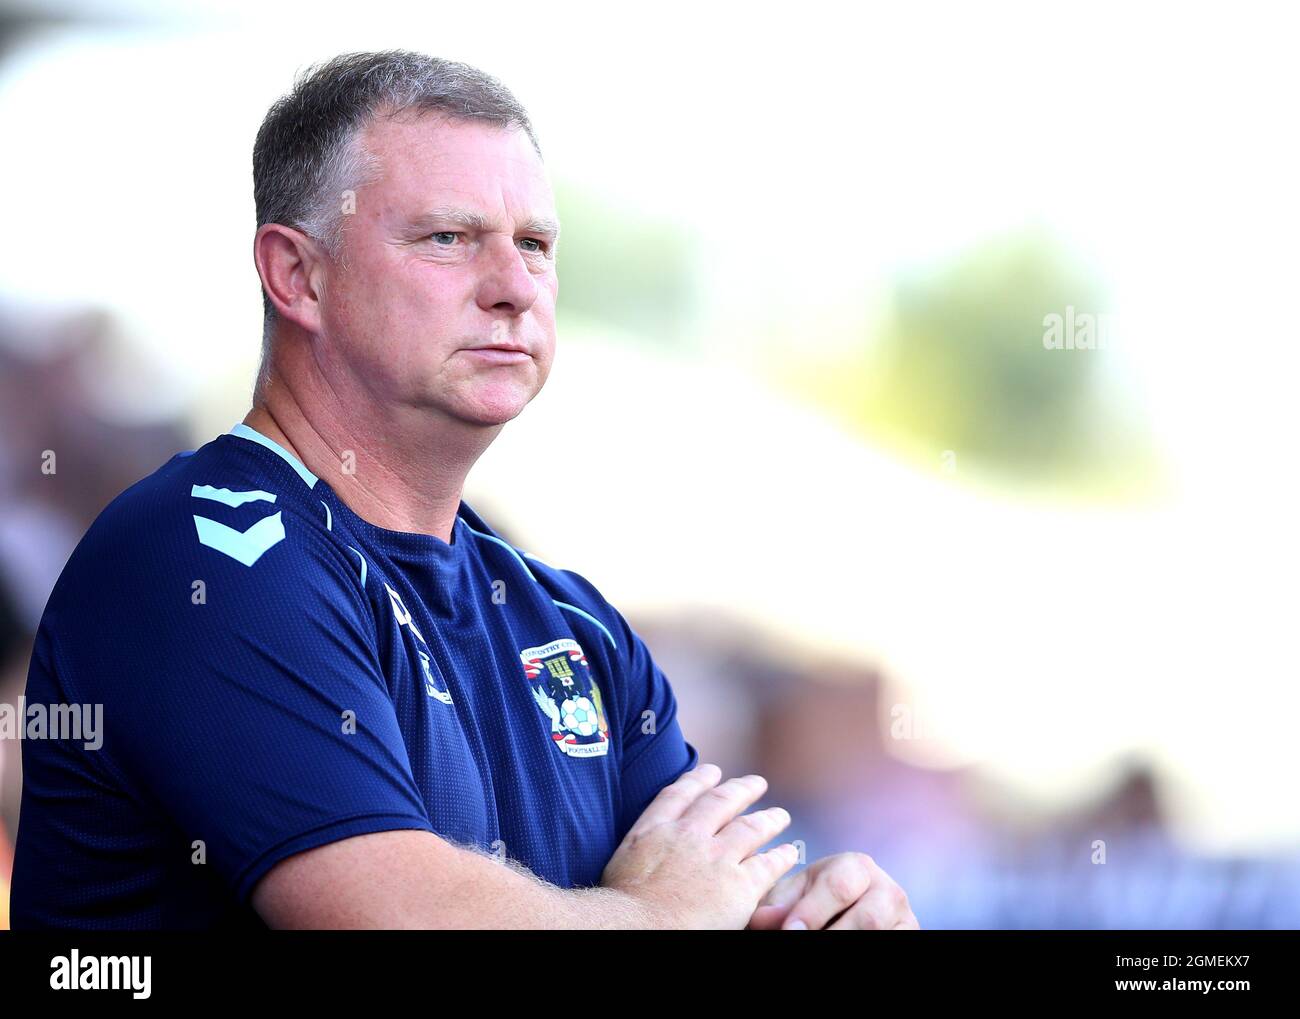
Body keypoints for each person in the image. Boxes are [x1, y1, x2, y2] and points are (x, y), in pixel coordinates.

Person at [9, 50, 918, 930]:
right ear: (298, 274)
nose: (516, 287)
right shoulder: (200, 557)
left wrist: (823, 910)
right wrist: (654, 914)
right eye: (448, 238)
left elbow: (709, 892)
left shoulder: (574, 625)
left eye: (534, 244)